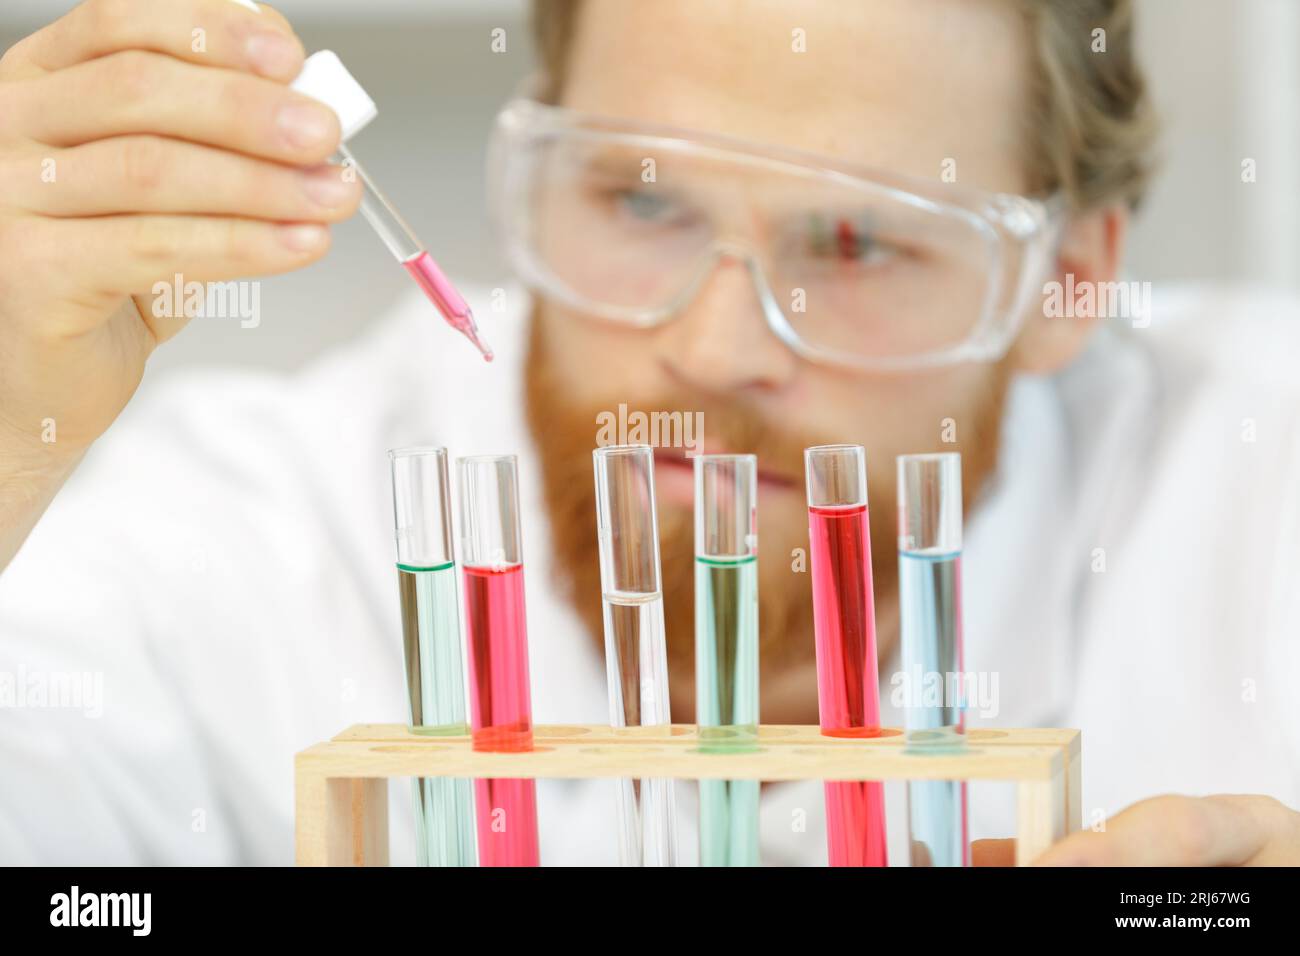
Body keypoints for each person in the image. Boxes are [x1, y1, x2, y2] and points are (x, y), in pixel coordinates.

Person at [0, 0, 1296, 866]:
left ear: (1067, 280)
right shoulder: (247, 534)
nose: (719, 349)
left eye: (856, 242)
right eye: (642, 202)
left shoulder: (1260, 484)